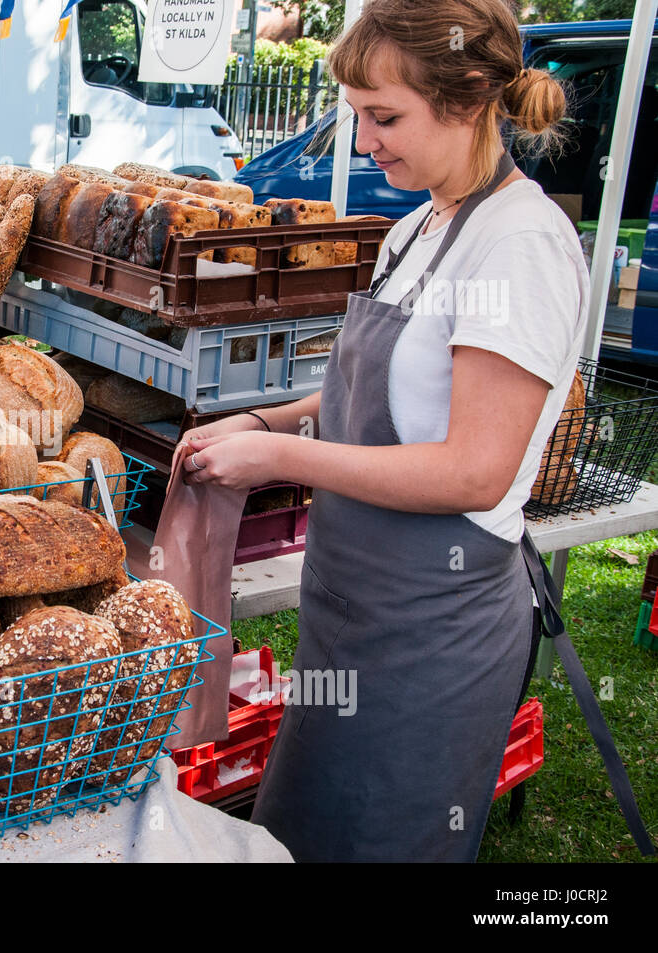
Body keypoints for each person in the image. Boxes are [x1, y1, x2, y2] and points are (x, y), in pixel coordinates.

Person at [178, 0, 587, 862]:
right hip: (348, 618)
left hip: (432, 635)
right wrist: (259, 419)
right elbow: (364, 396)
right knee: (299, 838)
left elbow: (475, 469)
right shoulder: (416, 227)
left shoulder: (519, 245)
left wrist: (279, 456)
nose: (365, 143)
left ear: (470, 99)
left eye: (385, 117)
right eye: (358, 116)